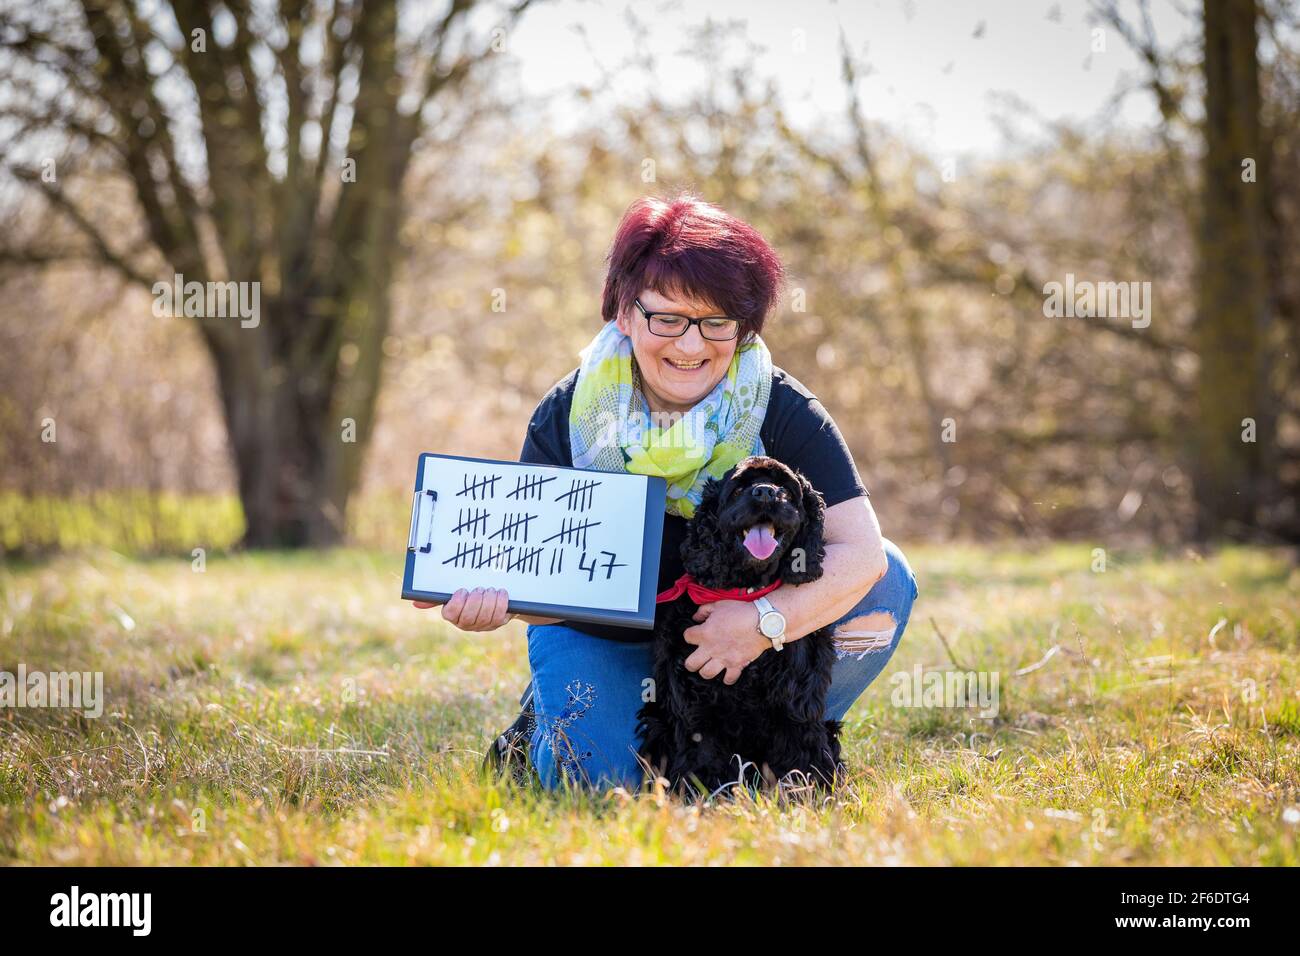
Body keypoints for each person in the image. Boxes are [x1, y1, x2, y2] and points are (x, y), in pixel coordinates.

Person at [416, 193, 917, 790]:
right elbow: (543, 575)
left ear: (743, 327)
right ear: (624, 313)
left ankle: (779, 752)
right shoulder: (569, 415)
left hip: (758, 637)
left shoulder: (782, 409)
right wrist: (496, 602)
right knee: (600, 788)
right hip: (617, 640)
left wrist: (766, 620)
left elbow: (861, 555)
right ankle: (545, 719)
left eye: (716, 322)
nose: (690, 345)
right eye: (668, 319)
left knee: (888, 579)